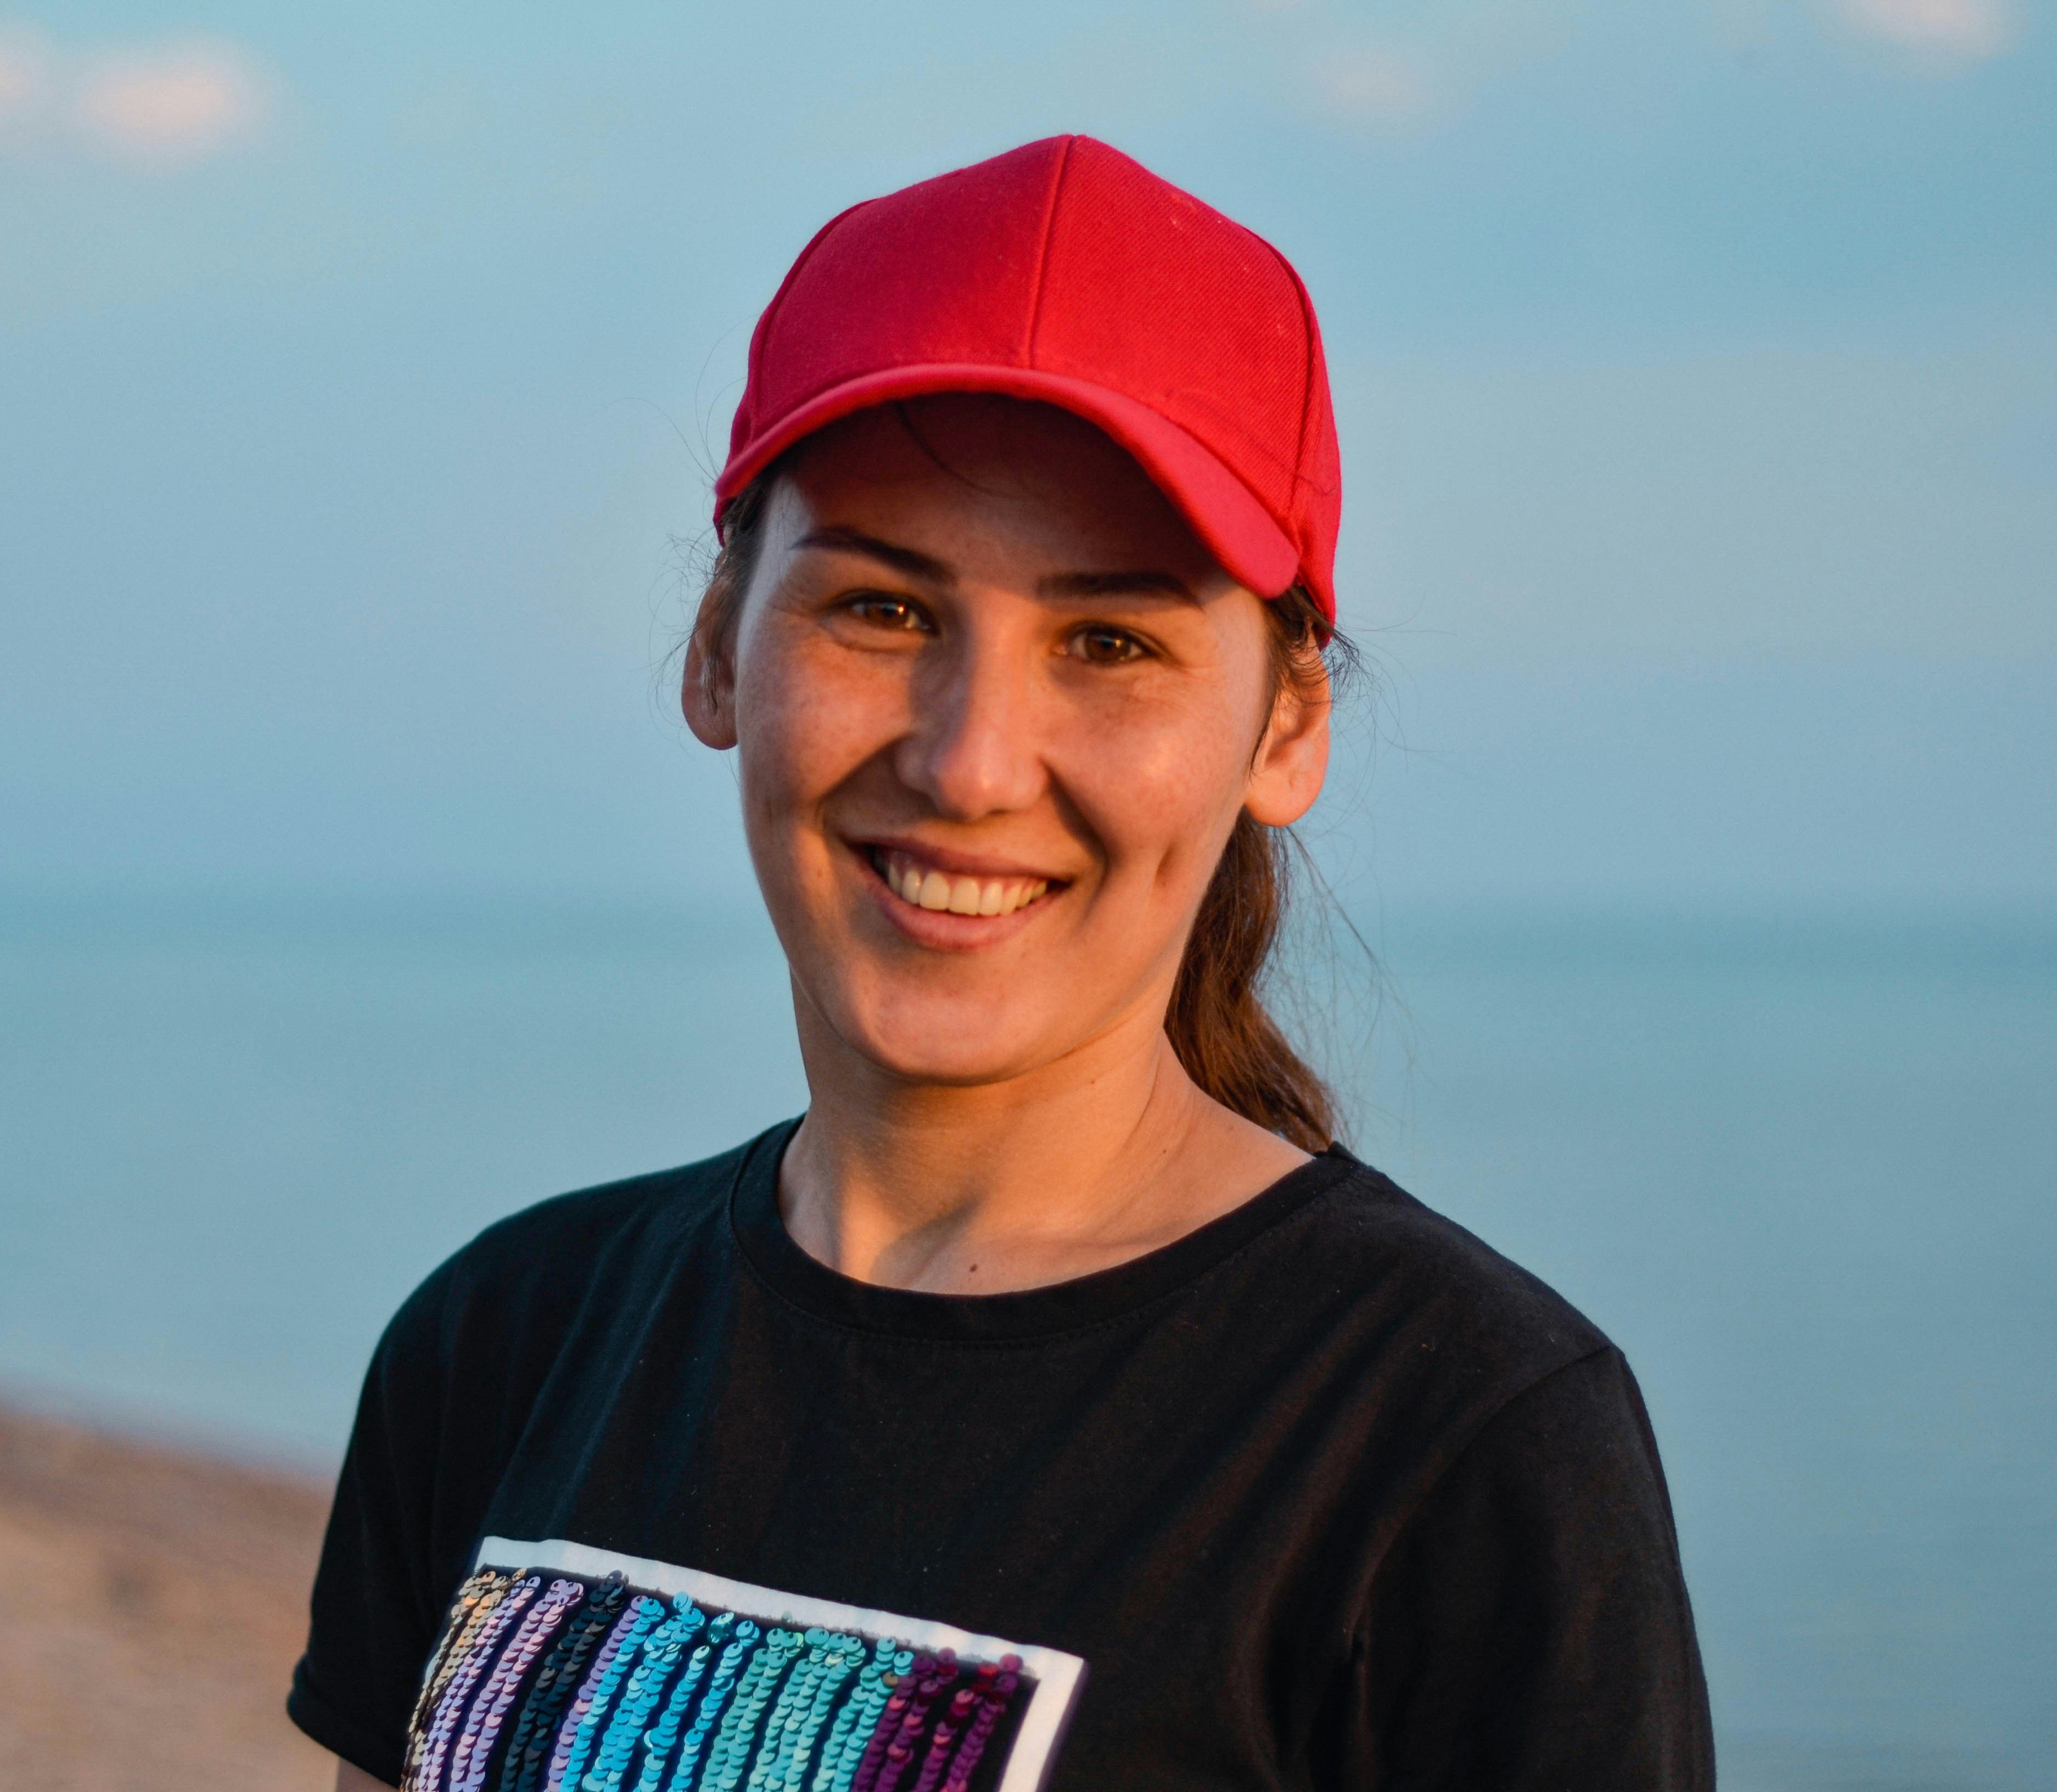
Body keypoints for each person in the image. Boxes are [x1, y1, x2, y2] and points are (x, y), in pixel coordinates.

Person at [290, 136, 1712, 1792]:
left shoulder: (1457, 1442)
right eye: (882, 612)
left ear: (1287, 725)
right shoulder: (506, 1340)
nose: (972, 765)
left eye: (1111, 644)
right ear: (715, 648)